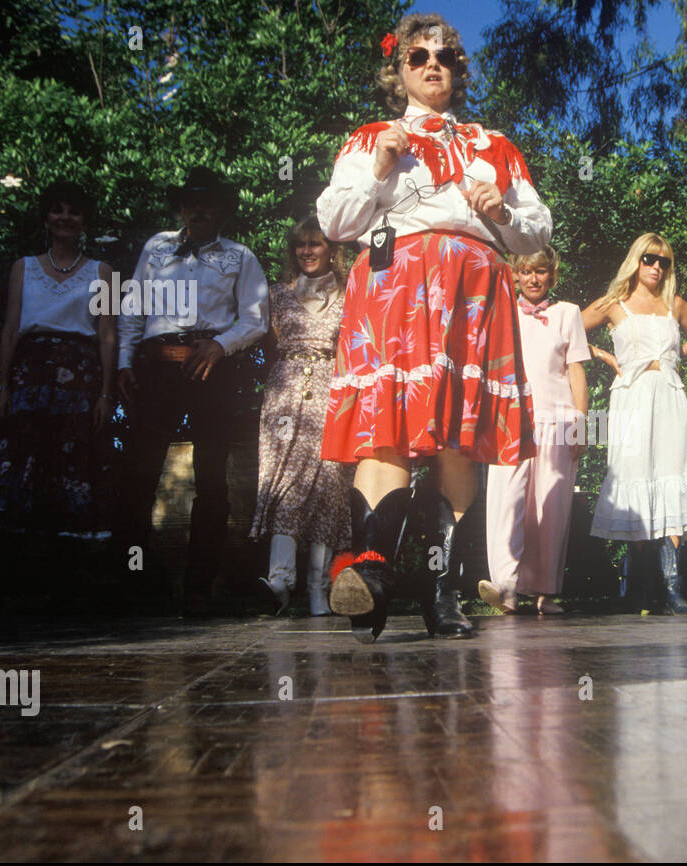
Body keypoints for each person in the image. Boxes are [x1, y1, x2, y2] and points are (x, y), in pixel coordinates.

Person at [317, 13, 551, 642]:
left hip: (471, 290)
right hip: (392, 285)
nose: (431, 64)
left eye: (444, 55)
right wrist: (377, 171)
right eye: (417, 56)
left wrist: (502, 212)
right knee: (384, 426)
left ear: (458, 67)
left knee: (456, 435)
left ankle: (439, 586)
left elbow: (537, 230)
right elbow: (336, 222)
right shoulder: (370, 138)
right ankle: (369, 573)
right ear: (398, 71)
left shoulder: (492, 144)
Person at [116, 166, 269, 617]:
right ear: (181, 207)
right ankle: (133, 583)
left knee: (212, 479)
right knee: (139, 472)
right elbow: (133, 307)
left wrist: (220, 346)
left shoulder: (240, 256)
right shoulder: (156, 247)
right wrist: (125, 361)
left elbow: (255, 318)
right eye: (191, 202)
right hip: (156, 367)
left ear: (221, 210)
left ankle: (200, 587)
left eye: (208, 202)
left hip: (212, 369)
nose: (199, 209)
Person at [0, 181, 117, 551]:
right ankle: (14, 572)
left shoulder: (103, 271)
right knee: (21, 455)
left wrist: (106, 394)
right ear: (46, 218)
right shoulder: (23, 268)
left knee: (72, 459)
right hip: (29, 376)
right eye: (57, 210)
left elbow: (108, 335)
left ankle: (66, 570)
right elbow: (11, 330)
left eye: (74, 211)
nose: (65, 217)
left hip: (79, 379)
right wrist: (2, 388)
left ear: (85, 221)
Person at [584, 232, 687, 615]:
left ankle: (674, 587)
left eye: (664, 261)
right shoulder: (614, 304)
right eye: (649, 259)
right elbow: (569, 330)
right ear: (635, 260)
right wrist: (605, 357)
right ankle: (640, 587)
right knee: (636, 476)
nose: (656, 267)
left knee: (672, 475)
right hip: (632, 397)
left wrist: (674, 354)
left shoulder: (674, 304)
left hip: (670, 397)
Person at [478, 246, 589, 615]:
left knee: (551, 506)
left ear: (551, 275)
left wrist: (582, 423)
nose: (533, 279)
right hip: (512, 418)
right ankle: (505, 584)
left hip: (557, 420)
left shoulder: (567, 313)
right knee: (506, 499)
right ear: (516, 275)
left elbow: (576, 371)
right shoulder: (502, 310)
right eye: (526, 272)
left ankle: (545, 591)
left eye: (540, 271)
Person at [250, 216, 353, 616]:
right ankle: (279, 580)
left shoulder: (348, 294)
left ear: (331, 250)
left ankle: (318, 589)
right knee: (285, 486)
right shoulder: (276, 294)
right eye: (301, 245)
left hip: (331, 392)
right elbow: (265, 342)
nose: (307, 252)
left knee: (329, 487)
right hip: (286, 394)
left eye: (316, 244)